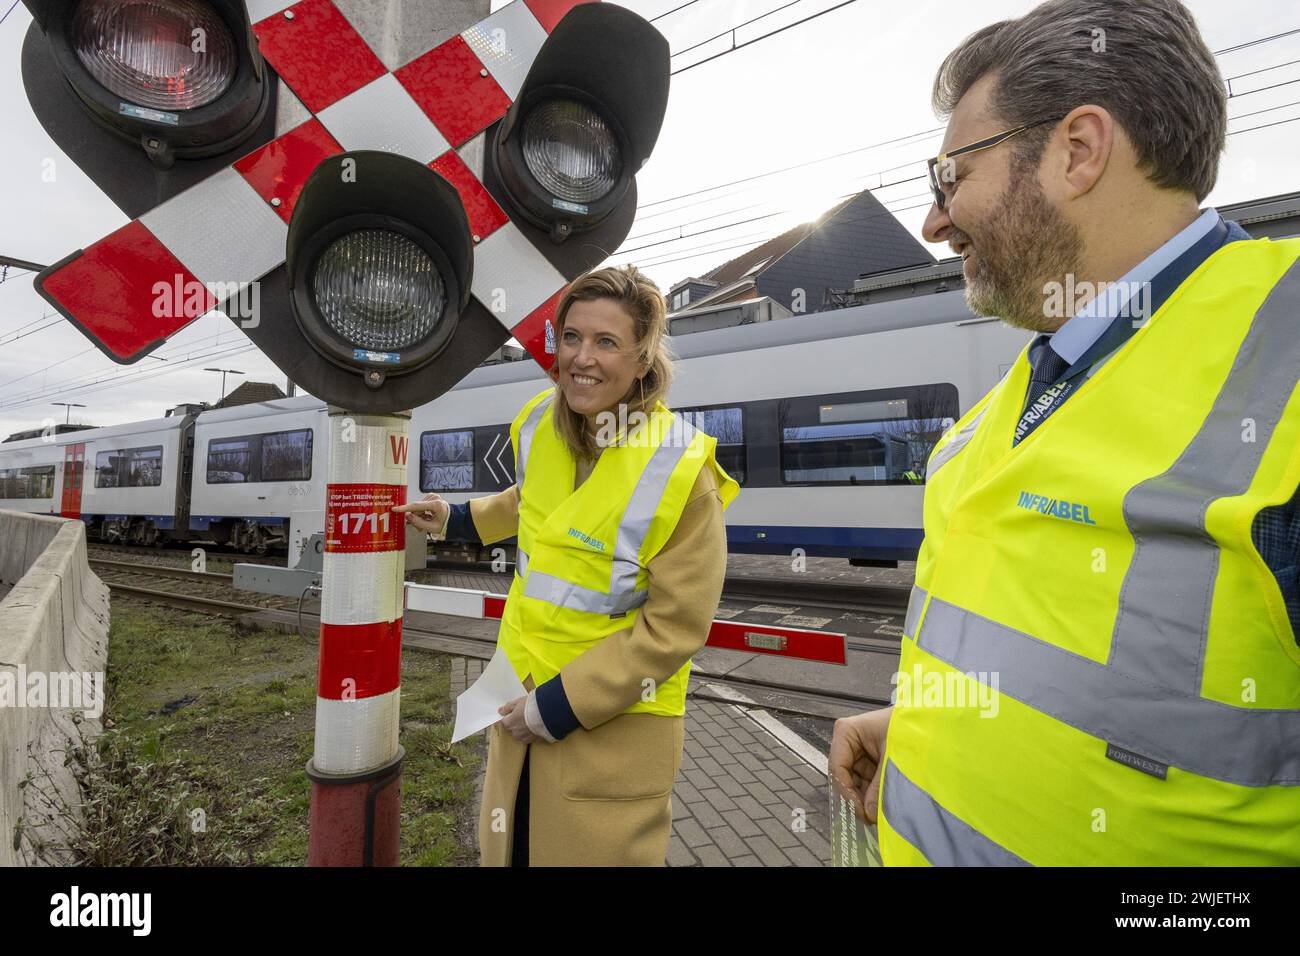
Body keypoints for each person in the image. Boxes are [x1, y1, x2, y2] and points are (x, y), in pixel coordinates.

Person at [830, 0, 1300, 866]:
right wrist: (932, 725)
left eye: (950, 177)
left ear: (1077, 151)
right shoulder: (1017, 393)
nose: (935, 223)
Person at [396, 265, 739, 866]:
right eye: (572, 337)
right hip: (518, 696)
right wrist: (455, 517)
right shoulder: (540, 423)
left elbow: (676, 629)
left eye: (606, 342)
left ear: (641, 359)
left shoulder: (684, 472)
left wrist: (554, 708)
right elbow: (533, 503)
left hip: (608, 729)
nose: (582, 358)